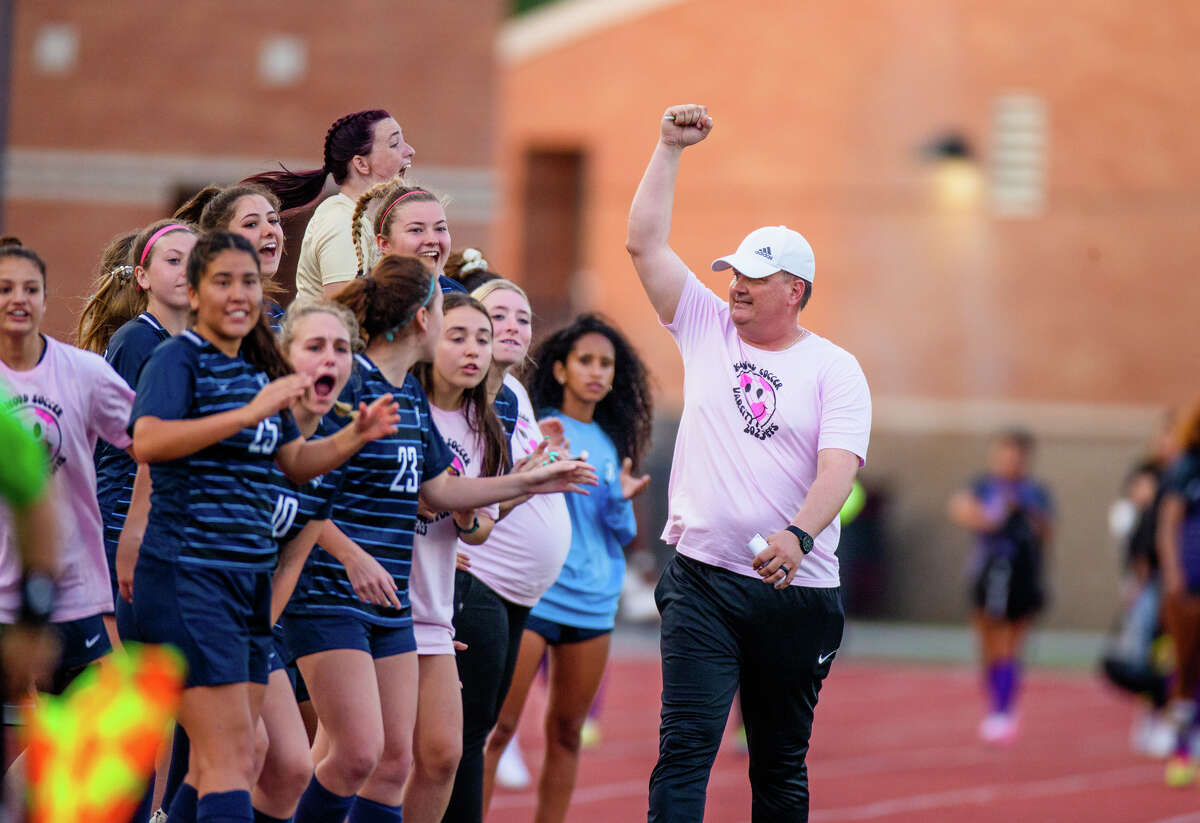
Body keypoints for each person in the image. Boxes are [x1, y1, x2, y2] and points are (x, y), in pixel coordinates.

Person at [279, 255, 595, 823]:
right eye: (451, 320)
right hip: (331, 593)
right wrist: (353, 557)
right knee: (355, 755)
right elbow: (296, 480)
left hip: (396, 602)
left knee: (397, 762)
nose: (479, 342)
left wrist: (530, 479)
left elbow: (441, 493)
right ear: (424, 321)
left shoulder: (406, 400)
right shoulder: (353, 382)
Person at [626, 104, 870, 822]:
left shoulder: (835, 368)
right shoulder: (704, 324)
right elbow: (644, 244)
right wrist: (669, 147)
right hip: (702, 579)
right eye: (732, 270)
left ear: (794, 291)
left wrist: (796, 537)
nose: (735, 283)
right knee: (686, 748)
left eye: (754, 276)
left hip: (796, 591)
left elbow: (838, 468)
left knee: (778, 764)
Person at [127, 231, 401, 823]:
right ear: (196, 293)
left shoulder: (253, 371)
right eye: (222, 281)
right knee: (231, 756)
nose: (239, 293)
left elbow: (294, 462)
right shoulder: (179, 358)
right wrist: (248, 413)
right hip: (188, 575)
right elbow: (146, 440)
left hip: (245, 583)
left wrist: (355, 435)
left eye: (248, 281)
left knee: (239, 754)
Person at [483, 313, 652, 823]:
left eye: (606, 364)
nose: (597, 372)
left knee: (566, 733)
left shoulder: (612, 440)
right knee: (499, 728)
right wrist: (539, 461)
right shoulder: (534, 425)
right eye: (585, 361)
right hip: (536, 595)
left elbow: (618, 532)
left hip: (594, 601)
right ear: (559, 369)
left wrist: (621, 501)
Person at [440, 271, 573, 822]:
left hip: (510, 589)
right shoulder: (455, 398)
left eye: (524, 318)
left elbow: (491, 498)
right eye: (499, 316)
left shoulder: (513, 393)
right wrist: (527, 482)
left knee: (464, 736)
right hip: (475, 582)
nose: (514, 326)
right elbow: (458, 496)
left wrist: (539, 472)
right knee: (453, 741)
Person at [0, 237, 138, 695]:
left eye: (30, 289)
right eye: (5, 288)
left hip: (67, 586)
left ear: (43, 298)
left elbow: (153, 446)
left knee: (89, 738)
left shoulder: (85, 373)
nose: (18, 299)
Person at [404, 292, 509, 822]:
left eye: (483, 340)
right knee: (370, 756)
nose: (473, 350)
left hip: (435, 611)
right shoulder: (402, 407)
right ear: (427, 338)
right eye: (458, 336)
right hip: (380, 605)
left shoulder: (484, 426)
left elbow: (481, 526)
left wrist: (467, 514)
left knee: (443, 755)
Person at [948, 428, 1053, 744]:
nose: (1007, 461)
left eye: (1014, 455)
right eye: (1002, 454)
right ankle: (997, 701)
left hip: (1020, 575)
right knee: (988, 642)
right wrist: (989, 516)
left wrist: (1024, 515)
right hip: (986, 572)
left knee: (1010, 642)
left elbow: (1045, 531)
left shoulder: (1034, 492)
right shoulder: (984, 485)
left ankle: (1003, 709)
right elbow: (961, 509)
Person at [244, 109, 414, 299]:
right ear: (361, 164)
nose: (410, 151)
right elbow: (346, 312)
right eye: (395, 144)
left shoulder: (364, 221)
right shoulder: (341, 223)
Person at [1157, 399, 1200, 786]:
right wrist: (1173, 573)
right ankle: (1182, 749)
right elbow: (1168, 525)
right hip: (1190, 582)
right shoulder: (1186, 468)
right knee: (1186, 668)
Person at [175, 184, 288, 329]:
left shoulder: (277, 316)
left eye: (273, 220)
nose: (269, 230)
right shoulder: (199, 319)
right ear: (219, 239)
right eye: (251, 224)